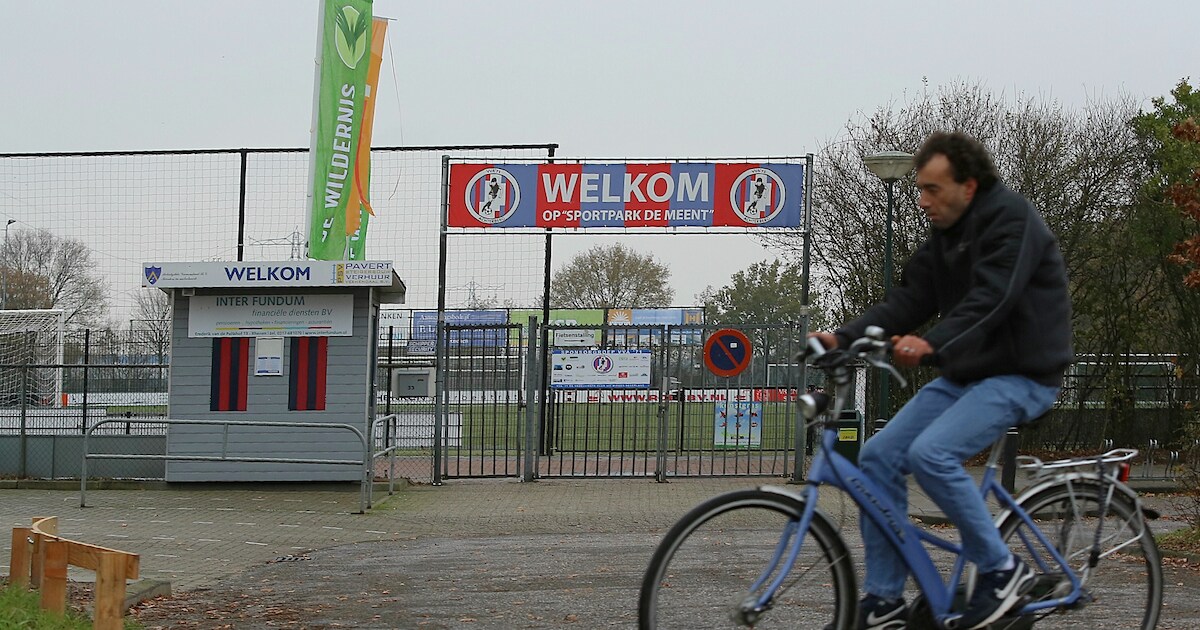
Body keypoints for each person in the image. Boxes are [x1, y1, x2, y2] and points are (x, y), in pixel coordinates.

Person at [809, 132, 1072, 629]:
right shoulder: (947, 236)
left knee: (931, 454)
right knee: (877, 457)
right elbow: (908, 300)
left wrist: (933, 343)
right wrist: (842, 338)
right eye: (919, 189)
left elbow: (993, 299)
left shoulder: (1013, 222)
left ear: (968, 187)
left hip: (1023, 375)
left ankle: (1001, 571)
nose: (922, 200)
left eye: (932, 189)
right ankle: (885, 599)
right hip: (966, 376)